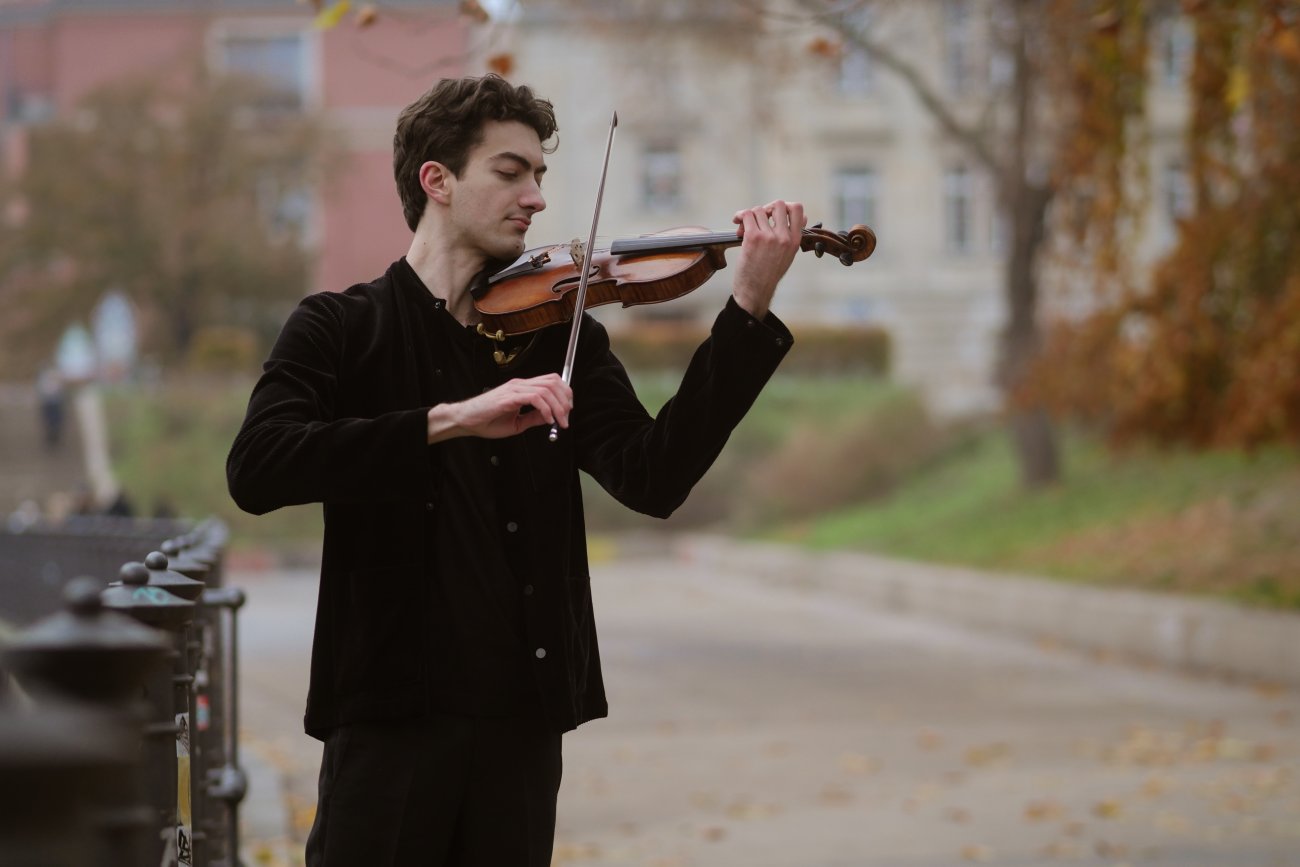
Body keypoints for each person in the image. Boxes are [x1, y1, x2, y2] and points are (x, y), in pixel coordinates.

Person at [226, 74, 803, 867]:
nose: (535, 197)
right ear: (438, 180)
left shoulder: (557, 335)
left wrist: (746, 311)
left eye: (539, 175)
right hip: (390, 718)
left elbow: (653, 474)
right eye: (509, 171)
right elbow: (257, 467)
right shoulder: (340, 326)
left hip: (520, 722)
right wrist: (454, 419)